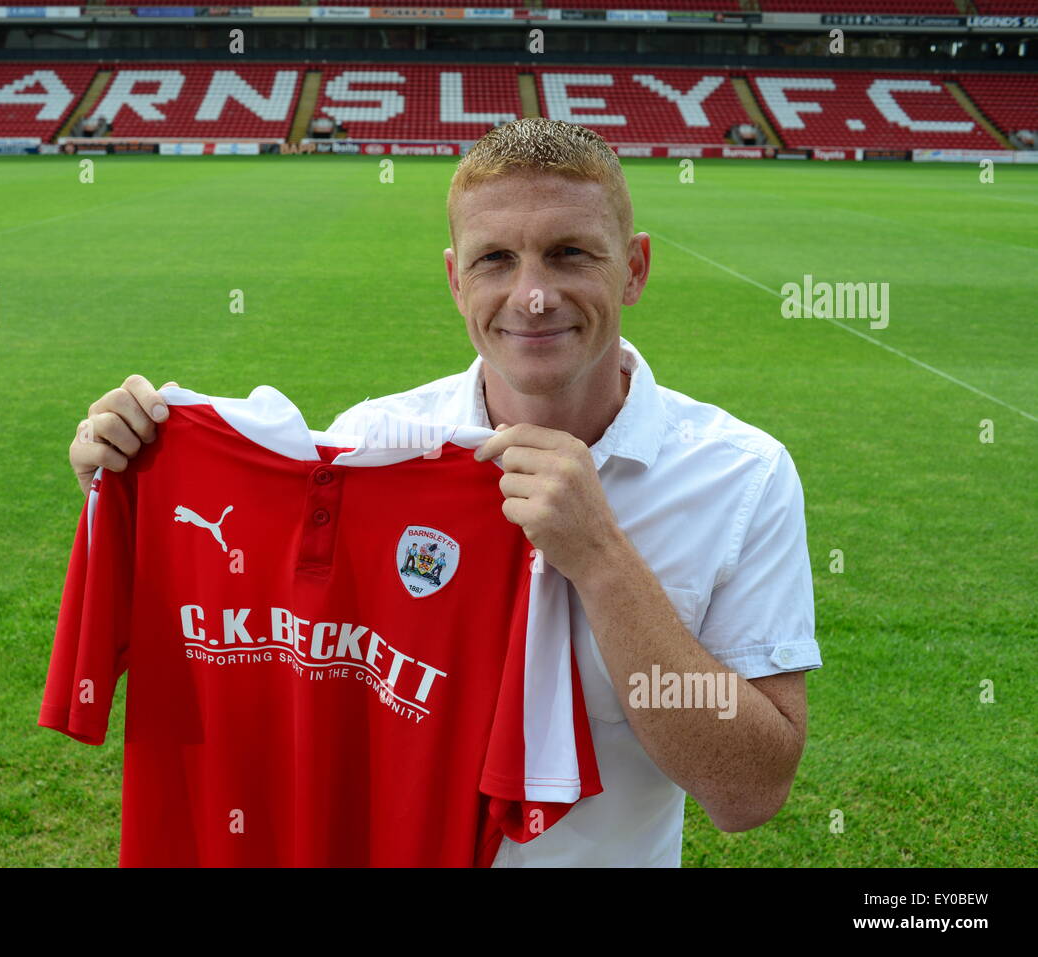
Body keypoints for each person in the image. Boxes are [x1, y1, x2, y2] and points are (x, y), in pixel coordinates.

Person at [66, 118, 820, 867]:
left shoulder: (740, 476)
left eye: (569, 254)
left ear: (634, 268)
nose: (532, 296)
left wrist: (601, 559)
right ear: (456, 280)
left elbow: (750, 792)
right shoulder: (374, 445)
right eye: (497, 259)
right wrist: (130, 492)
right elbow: (252, 662)